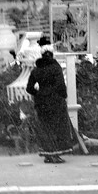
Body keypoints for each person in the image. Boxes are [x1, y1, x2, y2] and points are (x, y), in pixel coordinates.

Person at [26, 36, 76, 164]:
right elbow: (61, 86)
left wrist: (38, 94)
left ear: (42, 55)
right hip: (55, 102)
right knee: (57, 128)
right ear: (52, 54)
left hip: (41, 103)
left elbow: (29, 88)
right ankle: (55, 154)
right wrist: (63, 96)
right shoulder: (56, 68)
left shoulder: (36, 70)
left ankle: (48, 155)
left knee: (45, 128)